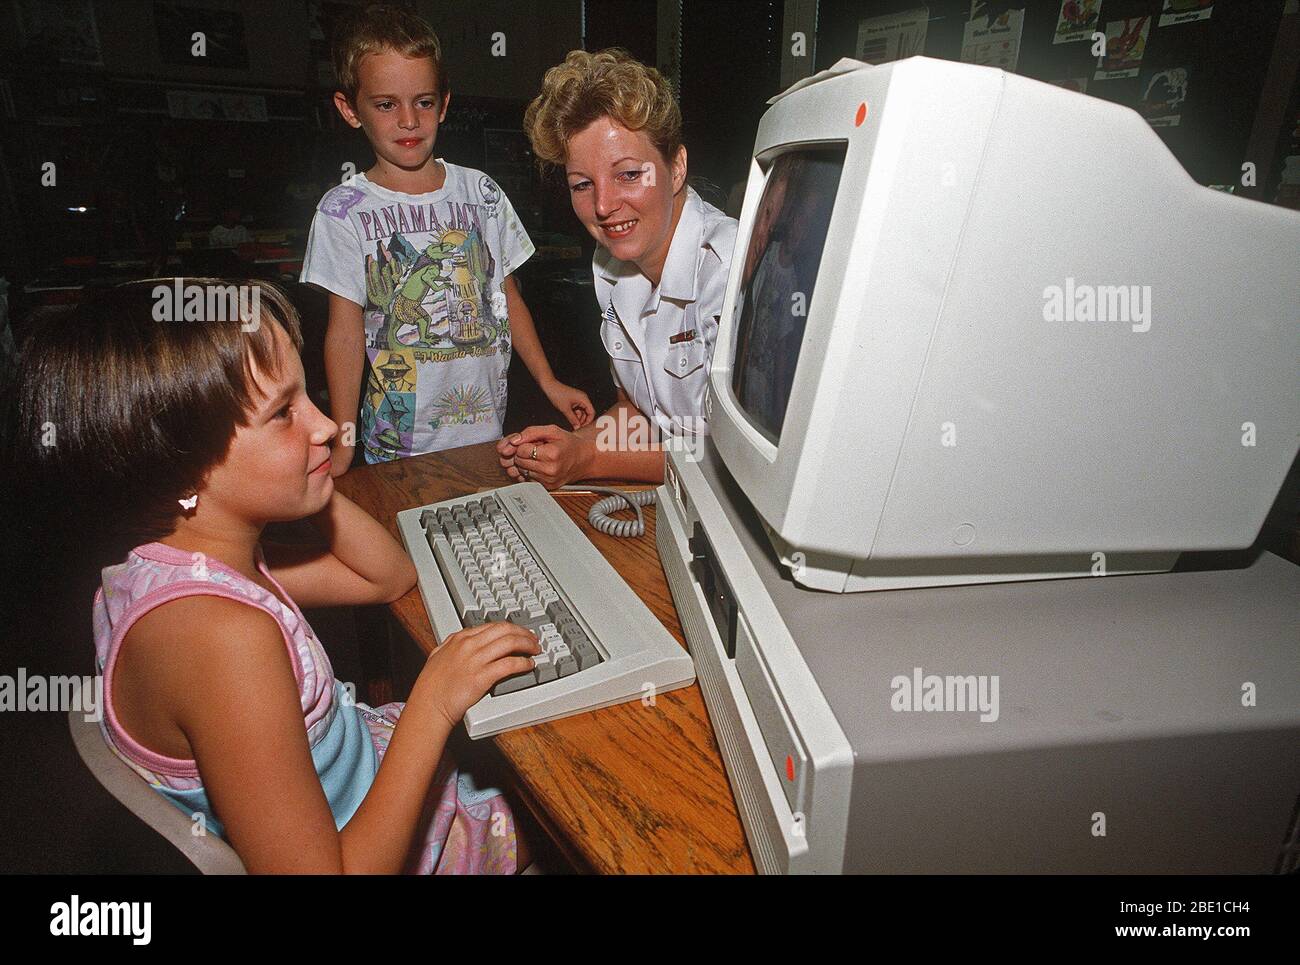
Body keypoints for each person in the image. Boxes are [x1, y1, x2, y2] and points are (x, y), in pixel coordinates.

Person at [10, 279, 543, 873]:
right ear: (183, 466)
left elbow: (387, 579)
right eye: (284, 412)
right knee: (565, 808)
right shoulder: (219, 638)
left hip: (368, 770)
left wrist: (309, 477)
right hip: (385, 842)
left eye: (306, 396)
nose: (324, 426)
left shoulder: (184, 568)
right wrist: (433, 702)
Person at [301, 3, 593, 474]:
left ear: (445, 103)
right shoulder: (342, 210)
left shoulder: (482, 192)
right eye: (385, 104)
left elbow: (506, 297)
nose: (409, 121)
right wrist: (344, 438)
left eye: (424, 101)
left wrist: (548, 381)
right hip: (395, 441)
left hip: (485, 433)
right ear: (350, 110)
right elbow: (344, 332)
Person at [497, 48, 737, 489]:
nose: (603, 207)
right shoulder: (610, 264)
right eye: (583, 185)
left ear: (677, 165)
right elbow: (638, 412)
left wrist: (587, 460)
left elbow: (730, 463)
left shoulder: (731, 271)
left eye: (628, 175)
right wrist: (570, 446)